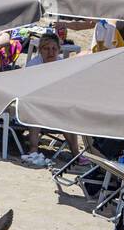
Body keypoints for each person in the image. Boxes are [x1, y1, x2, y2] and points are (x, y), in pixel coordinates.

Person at [20, 33, 81, 167]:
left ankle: (75, 153)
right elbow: (28, 90)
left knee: (68, 112)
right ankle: (33, 150)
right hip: (33, 104)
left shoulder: (62, 64)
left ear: (59, 50)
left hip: (53, 104)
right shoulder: (34, 65)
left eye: (54, 49)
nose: (50, 52)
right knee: (35, 110)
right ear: (40, 50)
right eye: (46, 49)